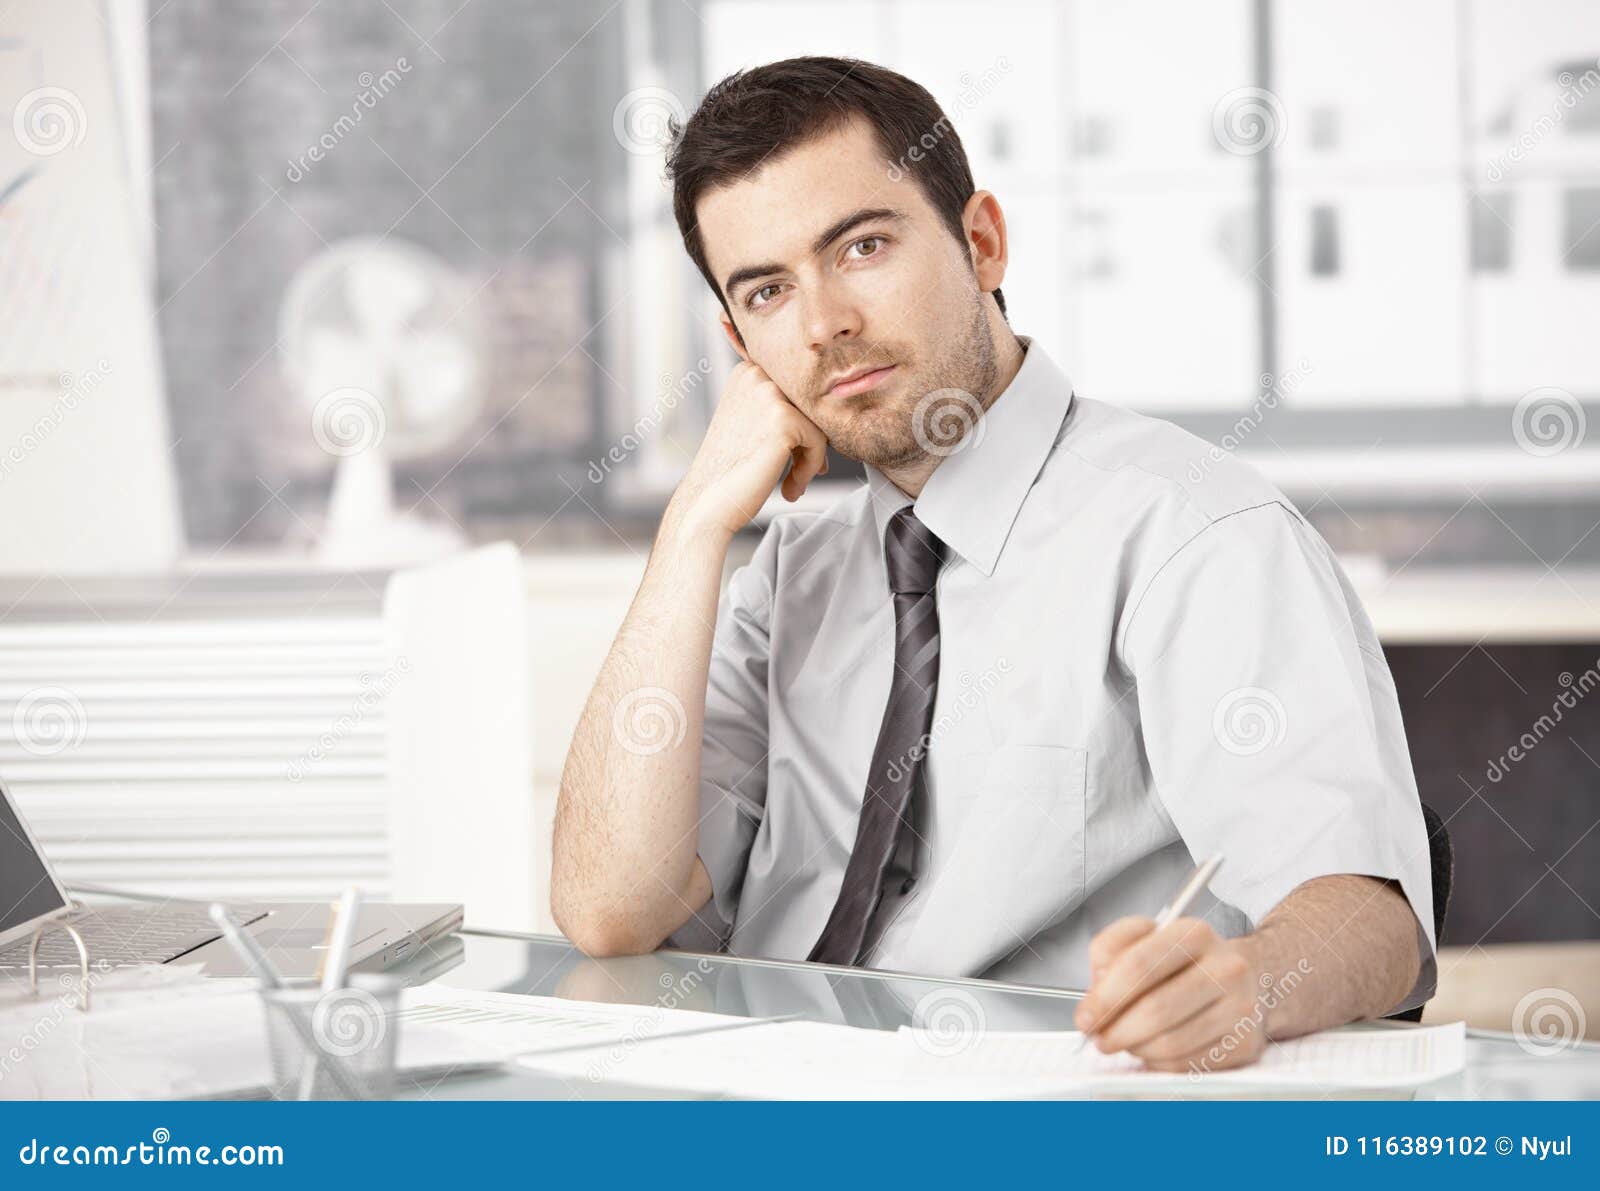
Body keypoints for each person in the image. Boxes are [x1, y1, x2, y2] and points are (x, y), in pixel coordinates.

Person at [552, 57, 1434, 1072]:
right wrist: (692, 528)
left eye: (864, 247)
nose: (825, 323)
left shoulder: (1197, 534)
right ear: (738, 340)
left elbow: (1370, 921)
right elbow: (609, 910)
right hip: (762, 1096)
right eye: (767, 290)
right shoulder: (786, 573)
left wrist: (1247, 984)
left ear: (981, 243)